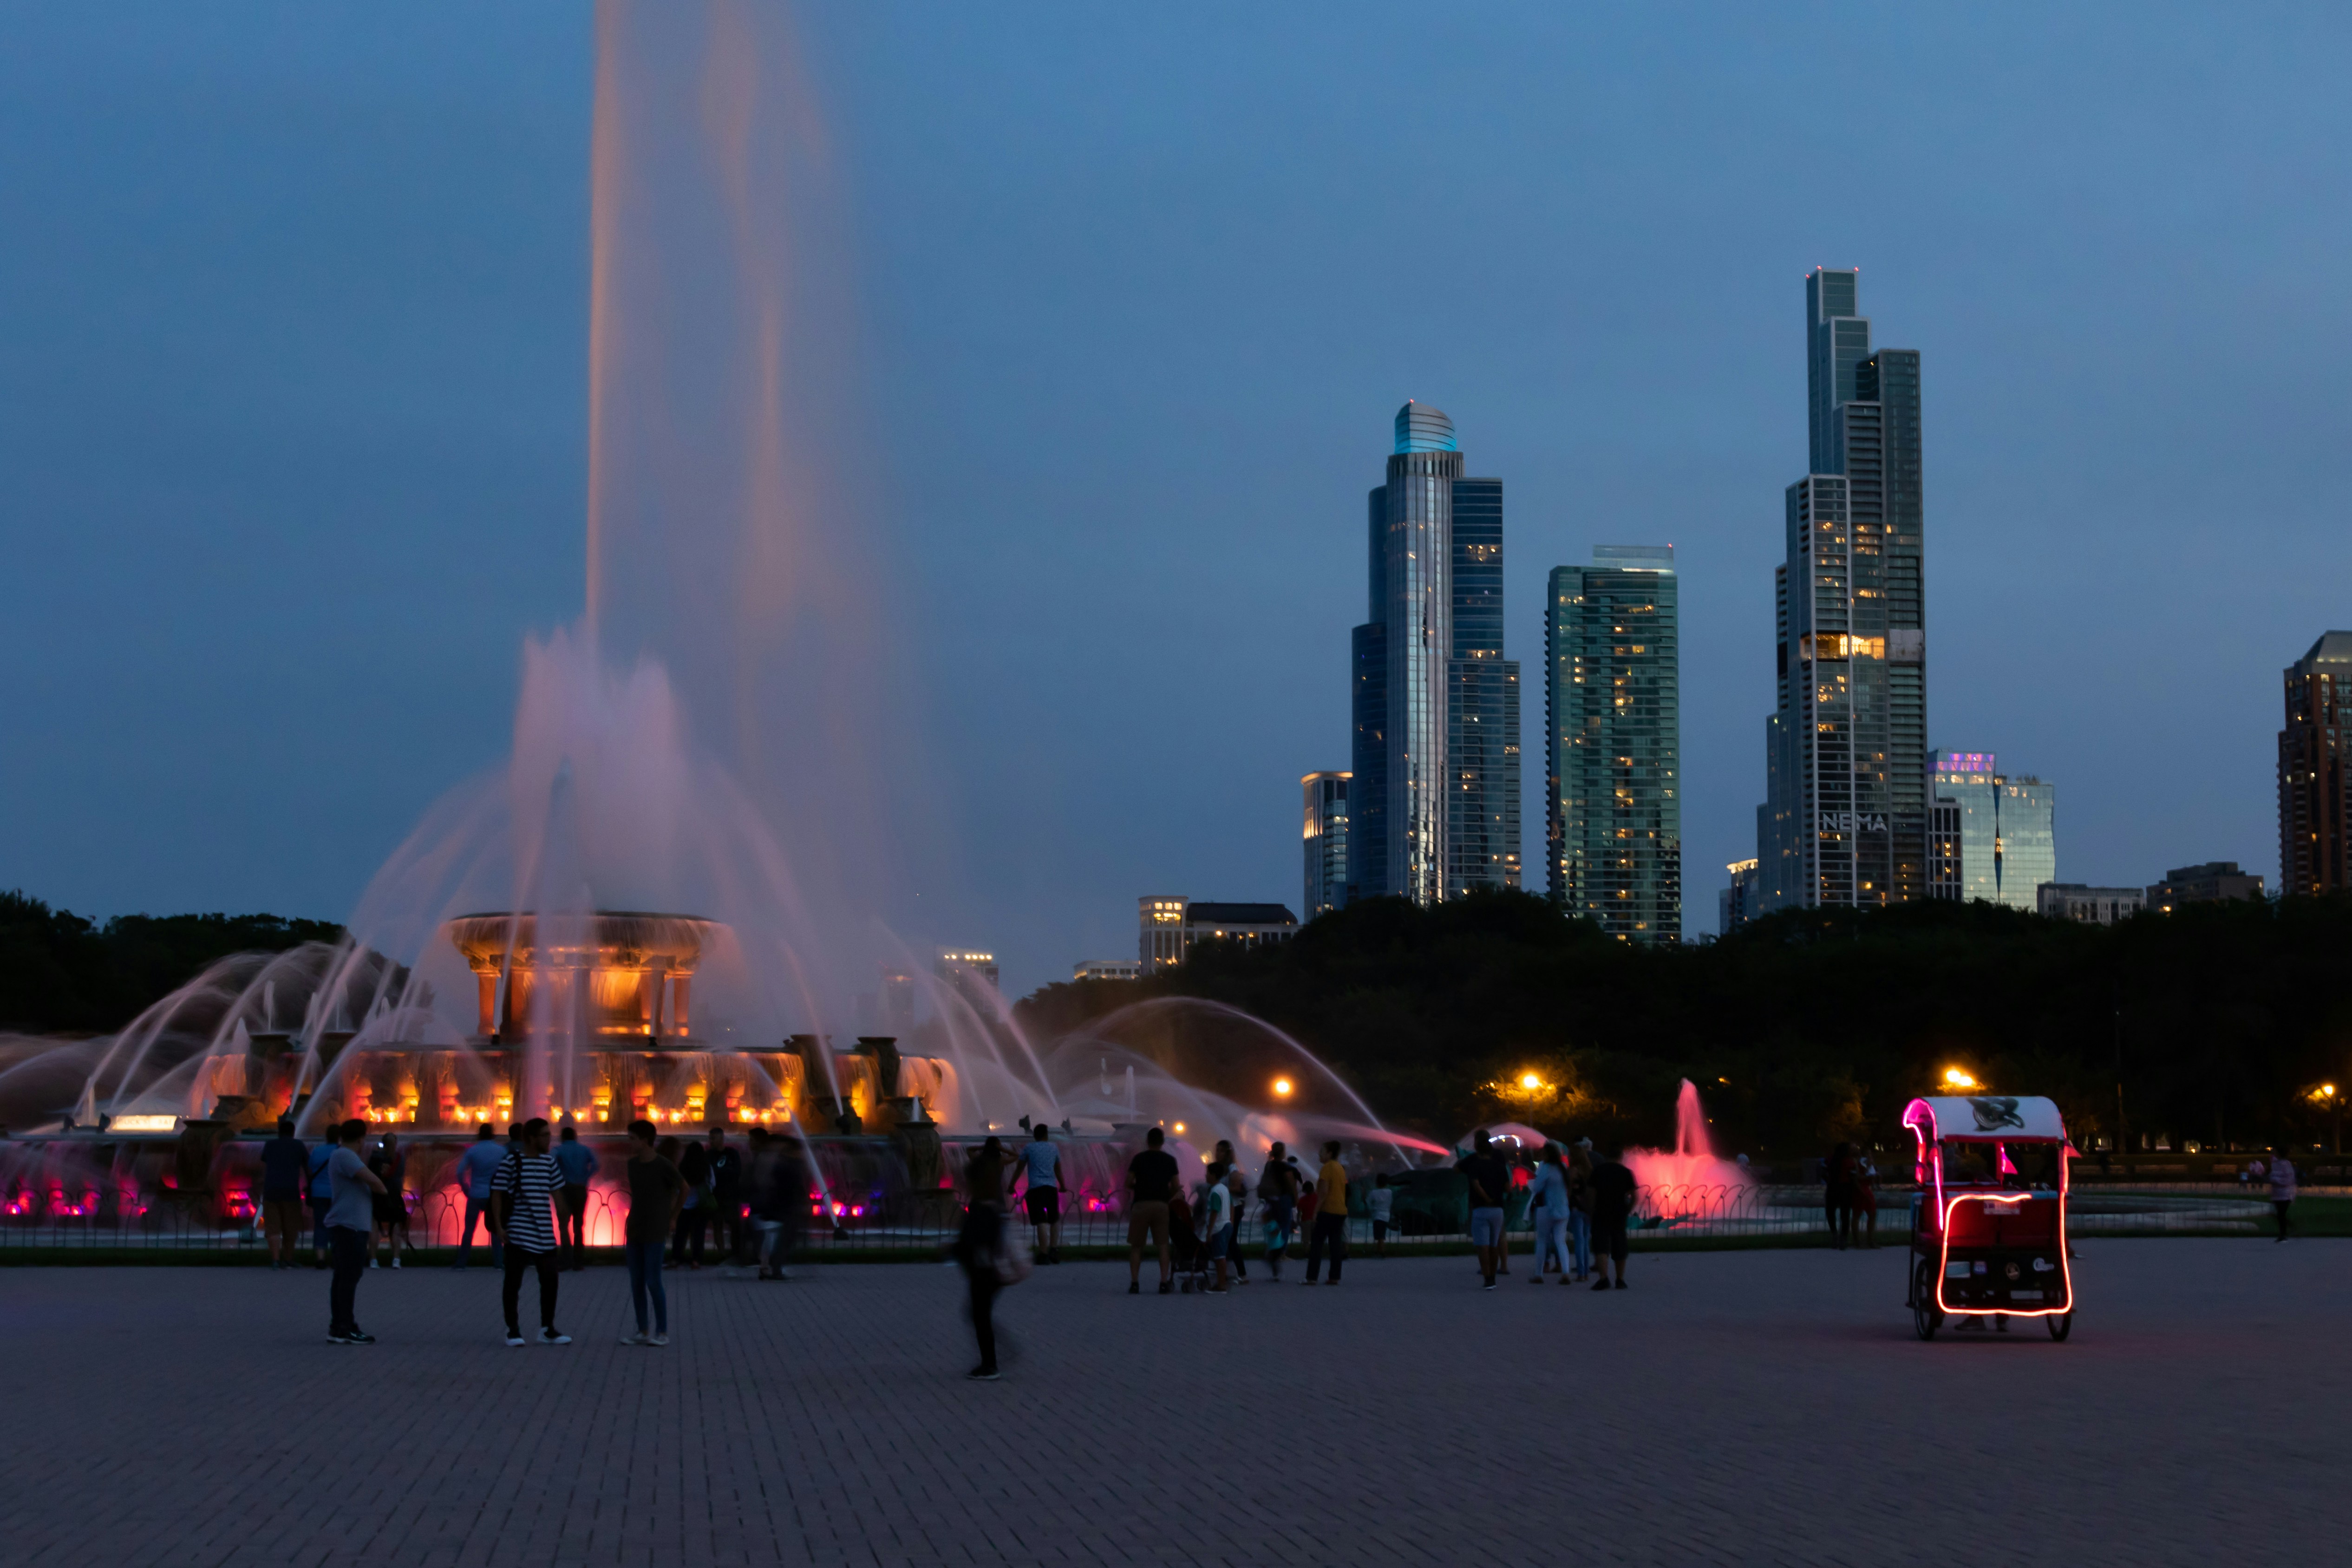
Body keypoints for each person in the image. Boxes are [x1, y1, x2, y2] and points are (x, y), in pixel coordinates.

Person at [490, 1117, 571, 1346]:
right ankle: (513, 1330)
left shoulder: (549, 1163)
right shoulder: (512, 1162)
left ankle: (547, 1329)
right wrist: (499, 1226)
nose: (550, 1139)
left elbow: (557, 1194)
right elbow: (497, 1193)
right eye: (545, 1135)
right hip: (518, 1231)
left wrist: (564, 1226)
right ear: (532, 1138)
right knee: (513, 1282)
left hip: (544, 1232)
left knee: (550, 1282)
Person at [323, 1118, 387, 1344]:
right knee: (348, 1278)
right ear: (361, 1138)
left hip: (349, 1224)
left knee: (343, 1277)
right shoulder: (346, 1156)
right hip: (348, 1226)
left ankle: (340, 1326)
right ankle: (345, 1327)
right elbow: (376, 1184)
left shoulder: (343, 1156)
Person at [621, 1118, 683, 1345]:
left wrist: (673, 1216)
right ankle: (643, 1330)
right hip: (636, 1226)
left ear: (645, 1141)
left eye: (633, 1139)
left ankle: (663, 1332)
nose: (630, 1143)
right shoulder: (632, 1164)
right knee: (636, 1280)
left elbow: (683, 1187)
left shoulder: (663, 1164)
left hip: (656, 1228)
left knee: (653, 1280)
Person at [954, 1154, 1009, 1380]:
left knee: (980, 1316)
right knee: (979, 1314)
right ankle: (993, 1359)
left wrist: (955, 1249)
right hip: (990, 1271)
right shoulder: (994, 1203)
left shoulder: (980, 1207)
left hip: (984, 1272)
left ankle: (990, 1365)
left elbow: (974, 1239)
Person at [1125, 1126, 1180, 1295]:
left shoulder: (1138, 1159)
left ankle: (1135, 1283)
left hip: (1141, 1204)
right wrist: (1167, 1193)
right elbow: (1176, 1186)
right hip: (1161, 1205)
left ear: (1147, 1142)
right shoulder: (1170, 1160)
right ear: (1163, 1142)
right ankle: (1163, 1283)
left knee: (1136, 1246)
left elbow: (1128, 1182)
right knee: (1163, 1245)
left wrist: (1139, 1186)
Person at [1457, 1130, 1509, 1290]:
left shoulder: (1474, 1165)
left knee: (1482, 1246)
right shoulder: (1500, 1166)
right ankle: (1494, 1276)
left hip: (1481, 1209)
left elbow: (1475, 1184)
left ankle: (1488, 1278)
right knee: (1495, 1244)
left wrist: (1486, 1198)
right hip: (1498, 1210)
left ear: (1478, 1149)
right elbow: (1508, 1187)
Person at [451, 1124, 505, 1271]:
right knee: (495, 1230)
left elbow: (460, 1171)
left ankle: (462, 1263)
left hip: (475, 1195)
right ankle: (499, 1263)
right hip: (493, 1196)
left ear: (479, 1135)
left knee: (469, 1231)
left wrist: (465, 1187)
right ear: (493, 1134)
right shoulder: (501, 1151)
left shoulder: (473, 1151)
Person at [258, 1117, 307, 1270]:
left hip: (271, 1191)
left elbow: (264, 1163)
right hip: (291, 1192)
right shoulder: (298, 1146)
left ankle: (275, 1260)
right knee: (290, 1228)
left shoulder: (270, 1145)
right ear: (293, 1133)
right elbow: (307, 1166)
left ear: (279, 1133)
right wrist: (311, 1185)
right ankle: (288, 1259)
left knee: (273, 1227)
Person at [1013, 1122, 1064, 1265]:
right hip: (1051, 1188)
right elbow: (1058, 1169)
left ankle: (1043, 1254)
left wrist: (1012, 1185)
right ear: (1047, 1135)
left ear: (1034, 1136)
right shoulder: (1054, 1148)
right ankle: (1054, 1250)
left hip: (1036, 1188)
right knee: (1054, 1220)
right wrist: (1063, 1185)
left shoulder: (1029, 1148)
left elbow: (1019, 1168)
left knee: (1041, 1221)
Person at [1589, 1138, 1637, 1290]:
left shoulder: (1598, 1171)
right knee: (1619, 1244)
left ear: (1606, 1156)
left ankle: (1604, 1279)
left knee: (1601, 1246)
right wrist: (1627, 1210)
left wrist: (1591, 1210)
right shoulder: (1626, 1173)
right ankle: (1620, 1279)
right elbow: (1635, 1197)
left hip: (1601, 1211)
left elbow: (1591, 1193)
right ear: (1621, 1157)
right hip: (1619, 1212)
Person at [553, 1123, 598, 1270]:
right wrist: (586, 1177)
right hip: (580, 1189)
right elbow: (596, 1164)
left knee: (564, 1224)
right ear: (575, 1137)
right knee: (579, 1225)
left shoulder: (558, 1150)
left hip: (565, 1189)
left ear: (562, 1138)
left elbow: (550, 1162)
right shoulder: (585, 1150)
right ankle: (579, 1260)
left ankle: (566, 1259)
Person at [1304, 1140, 1349, 1285]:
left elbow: (1323, 1192)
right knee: (1335, 1245)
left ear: (1329, 1154)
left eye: (1322, 1151)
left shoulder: (1327, 1168)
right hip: (1340, 1211)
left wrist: (1315, 1212)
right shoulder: (1340, 1168)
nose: (1319, 1154)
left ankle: (1311, 1277)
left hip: (1328, 1211)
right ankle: (1334, 1277)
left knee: (1317, 1244)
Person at [1257, 1140, 1302, 1281]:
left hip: (1271, 1200)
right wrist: (1296, 1199)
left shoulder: (1269, 1165)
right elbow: (1291, 1184)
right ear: (1283, 1152)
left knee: (1274, 1227)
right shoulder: (1285, 1167)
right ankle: (1277, 1253)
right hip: (1283, 1200)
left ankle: (1273, 1253)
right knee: (1284, 1226)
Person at [1529, 1144, 1572, 1285]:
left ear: (1548, 1155)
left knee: (1542, 1240)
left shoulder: (1546, 1168)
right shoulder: (1564, 1168)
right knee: (1560, 1241)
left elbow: (1537, 1187)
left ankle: (1539, 1274)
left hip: (1546, 1209)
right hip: (1563, 1209)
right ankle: (1566, 1272)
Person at [367, 1132, 408, 1268]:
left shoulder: (375, 1156)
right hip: (394, 1195)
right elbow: (401, 1174)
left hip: (378, 1194)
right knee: (395, 1227)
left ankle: (373, 1260)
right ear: (395, 1144)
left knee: (374, 1225)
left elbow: (370, 1173)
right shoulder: (399, 1158)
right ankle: (396, 1260)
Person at [672, 1133, 711, 1269]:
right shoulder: (706, 1167)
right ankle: (696, 1260)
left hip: (684, 1205)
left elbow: (678, 1187)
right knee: (698, 1234)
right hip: (701, 1206)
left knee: (681, 1233)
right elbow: (712, 1184)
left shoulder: (683, 1168)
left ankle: (676, 1258)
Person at [1214, 1141, 1251, 1284]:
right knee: (1224, 1239)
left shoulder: (1232, 1168)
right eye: (1217, 1150)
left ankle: (1242, 1274)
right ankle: (1226, 1270)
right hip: (1224, 1207)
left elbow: (1236, 1187)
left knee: (1231, 1240)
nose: (1218, 1153)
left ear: (1228, 1153)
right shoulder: (1221, 1168)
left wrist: (1219, 1189)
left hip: (1234, 1207)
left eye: (1221, 1151)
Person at [706, 1125, 744, 1263]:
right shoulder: (708, 1155)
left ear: (722, 1138)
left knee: (734, 1224)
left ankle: (736, 1252)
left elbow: (737, 1171)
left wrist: (720, 1173)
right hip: (716, 1196)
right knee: (718, 1224)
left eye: (713, 1138)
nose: (711, 1141)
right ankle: (722, 1253)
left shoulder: (732, 1153)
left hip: (730, 1195)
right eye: (710, 1138)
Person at [1201, 1159, 1235, 1294]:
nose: (1206, 1176)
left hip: (1219, 1228)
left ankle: (1221, 1286)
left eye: (1208, 1173)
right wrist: (1231, 1221)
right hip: (1226, 1225)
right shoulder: (1224, 1189)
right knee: (1220, 1257)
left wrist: (1209, 1233)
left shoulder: (1215, 1191)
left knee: (1220, 1258)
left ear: (1214, 1175)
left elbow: (1215, 1211)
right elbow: (1232, 1204)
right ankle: (1221, 1283)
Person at [305, 1133, 337, 1269]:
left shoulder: (317, 1151)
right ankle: (337, 1258)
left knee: (320, 1225)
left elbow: (310, 1168)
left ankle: (320, 1258)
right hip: (336, 1193)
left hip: (318, 1192)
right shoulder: (341, 1152)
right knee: (337, 1225)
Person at [1567, 1142, 1596, 1282]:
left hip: (1576, 1208)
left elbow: (1569, 1191)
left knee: (1579, 1241)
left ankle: (1581, 1272)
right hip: (1588, 1208)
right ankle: (1585, 1272)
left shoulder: (1574, 1171)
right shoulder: (1590, 1170)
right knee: (1585, 1241)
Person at [1823, 1142, 1855, 1251]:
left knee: (1830, 1212)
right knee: (1845, 1214)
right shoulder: (1849, 1162)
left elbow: (1824, 1172)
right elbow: (1853, 1176)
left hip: (1832, 1188)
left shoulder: (1830, 1160)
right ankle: (1843, 1238)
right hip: (1845, 1189)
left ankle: (1834, 1234)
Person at [967, 1135, 1011, 1211]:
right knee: (999, 1214)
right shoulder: (1001, 1160)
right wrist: (1002, 1149)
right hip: (997, 1191)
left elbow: (969, 1150)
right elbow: (1016, 1156)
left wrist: (983, 1147)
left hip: (980, 1193)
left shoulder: (979, 1159)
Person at [2269, 1147, 2298, 1241]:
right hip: (2277, 1194)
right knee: (2279, 1215)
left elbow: (2288, 1180)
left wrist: (2274, 1180)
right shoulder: (2276, 1164)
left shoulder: (2286, 1165)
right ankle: (2287, 1231)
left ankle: (2283, 1235)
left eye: (2275, 1152)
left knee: (2281, 1215)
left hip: (2286, 1194)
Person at [1853, 1151, 1880, 1250]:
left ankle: (1869, 1240)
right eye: (1869, 1156)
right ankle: (1858, 1241)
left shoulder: (1869, 1166)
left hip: (1866, 1189)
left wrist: (1872, 1180)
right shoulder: (1858, 1164)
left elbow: (1871, 1179)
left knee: (1872, 1213)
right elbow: (1856, 1178)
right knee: (1858, 1215)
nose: (1870, 1159)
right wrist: (1868, 1177)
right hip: (1861, 1190)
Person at [1369, 1172, 1396, 1259]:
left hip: (1377, 1216)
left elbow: (1369, 1202)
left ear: (1377, 1182)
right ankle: (1379, 1251)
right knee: (1381, 1233)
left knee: (1380, 1236)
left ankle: (1382, 1252)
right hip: (1386, 1215)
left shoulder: (1374, 1193)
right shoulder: (1390, 1192)